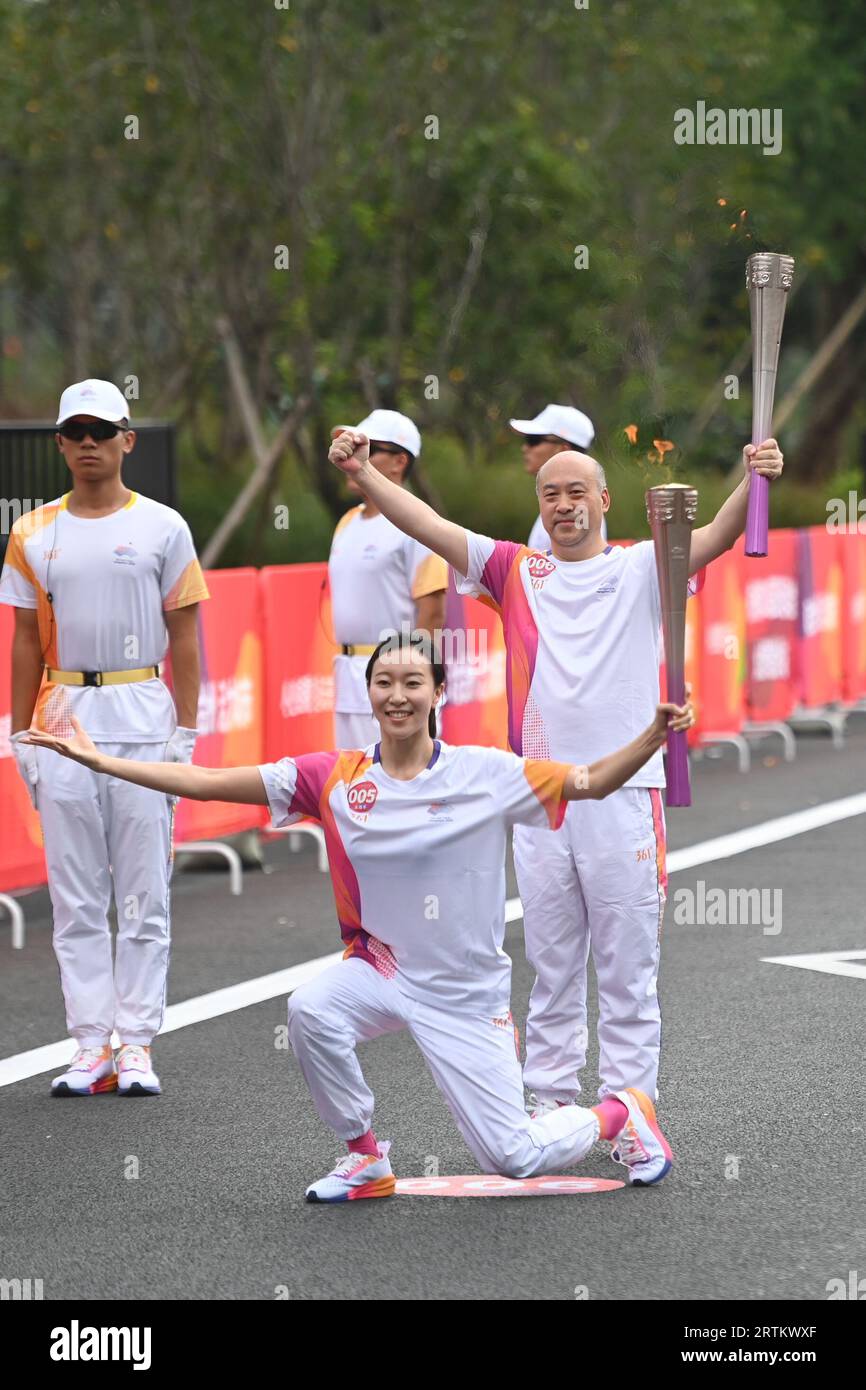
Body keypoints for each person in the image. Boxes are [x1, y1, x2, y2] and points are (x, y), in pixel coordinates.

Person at [24, 633, 694, 1198]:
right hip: (382, 970)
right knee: (311, 1010)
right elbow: (207, 781)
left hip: (464, 994)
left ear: (438, 692)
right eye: (382, 682)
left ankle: (622, 1112)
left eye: (411, 682)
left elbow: (589, 782)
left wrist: (650, 737)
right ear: (368, 693)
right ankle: (366, 1156)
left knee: (513, 1156)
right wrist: (99, 760)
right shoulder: (334, 777)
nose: (396, 695)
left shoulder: (486, 774)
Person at [327, 426, 784, 1171]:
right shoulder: (515, 572)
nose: (565, 504)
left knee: (626, 965)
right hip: (540, 795)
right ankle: (549, 1103)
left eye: (578, 492)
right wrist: (364, 477)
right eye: (552, 495)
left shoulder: (645, 567)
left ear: (604, 500)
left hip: (627, 792)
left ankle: (633, 1108)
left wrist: (754, 475)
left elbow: (716, 536)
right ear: (541, 506)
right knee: (550, 959)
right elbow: (428, 525)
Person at [1, 379, 208, 1097]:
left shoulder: (163, 527)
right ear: (59, 443)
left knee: (143, 886)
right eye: (75, 431)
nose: (89, 442)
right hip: (61, 711)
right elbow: (24, 637)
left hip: (140, 707)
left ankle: (139, 1043)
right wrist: (20, 731)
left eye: (102, 429)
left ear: (128, 439)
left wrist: (184, 732)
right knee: (77, 890)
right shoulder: (32, 532)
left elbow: (186, 635)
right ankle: (90, 1043)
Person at [328, 409, 447, 747]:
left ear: (399, 461)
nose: (351, 453)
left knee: (404, 783)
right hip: (349, 672)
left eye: (368, 447)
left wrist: (417, 680)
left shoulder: (419, 523)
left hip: (396, 675)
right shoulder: (347, 522)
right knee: (354, 782)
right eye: (348, 444)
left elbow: (433, 611)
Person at [509, 403, 598, 550]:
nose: (524, 448)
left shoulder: (578, 510)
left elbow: (579, 570)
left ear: (563, 450)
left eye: (533, 441)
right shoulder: (562, 506)